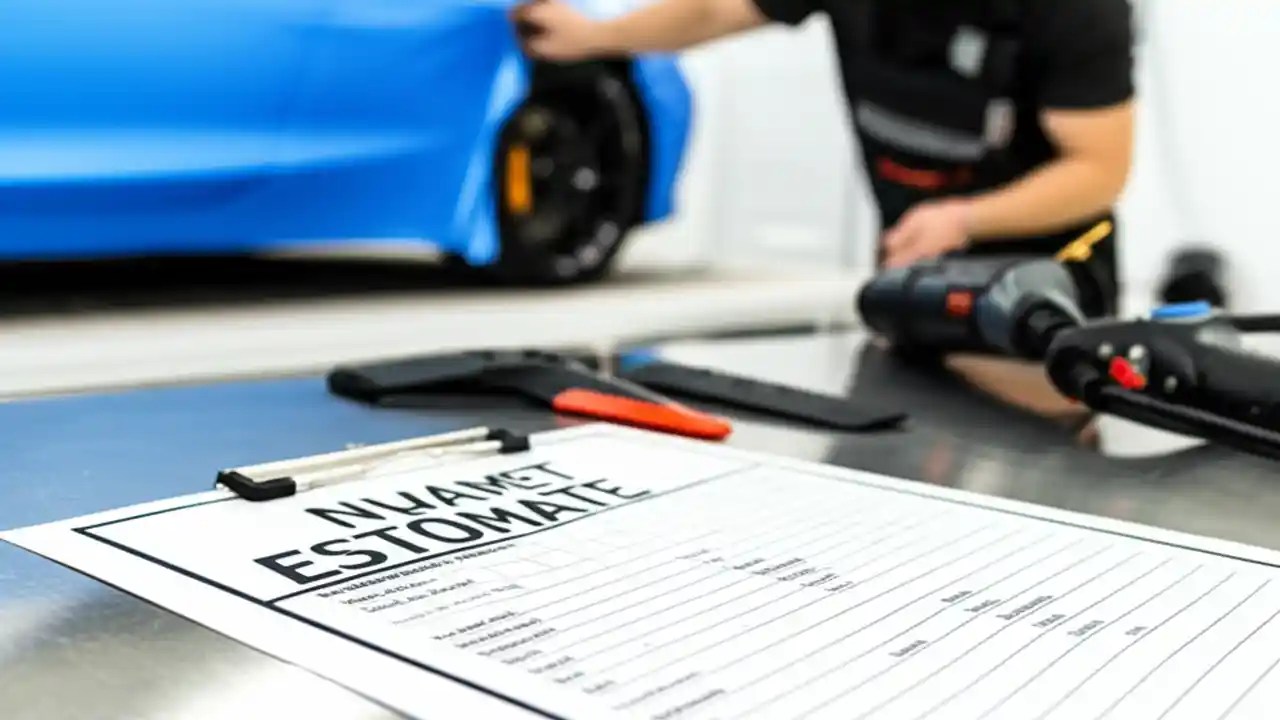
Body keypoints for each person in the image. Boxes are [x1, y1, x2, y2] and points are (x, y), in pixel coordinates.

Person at [512, 0, 1135, 317]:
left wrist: (965, 220)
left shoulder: (1074, 11)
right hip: (911, 269)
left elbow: (1099, 169)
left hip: (1049, 281)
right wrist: (597, 37)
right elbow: (721, 9)